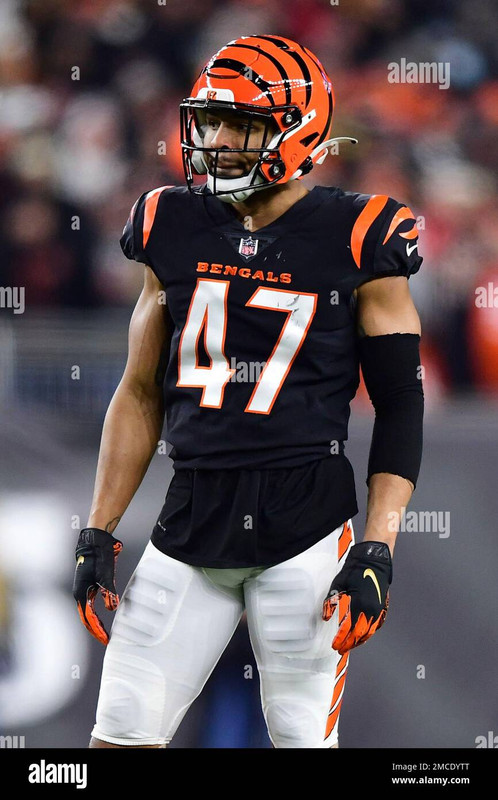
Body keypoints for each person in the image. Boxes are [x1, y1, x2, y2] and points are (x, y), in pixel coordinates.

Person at [73, 34, 424, 749]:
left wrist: (380, 548)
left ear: (299, 131)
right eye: (213, 121)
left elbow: (400, 403)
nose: (220, 141)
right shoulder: (168, 221)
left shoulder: (361, 235)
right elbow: (139, 391)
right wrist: (99, 528)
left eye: (244, 125)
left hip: (306, 532)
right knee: (116, 739)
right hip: (191, 521)